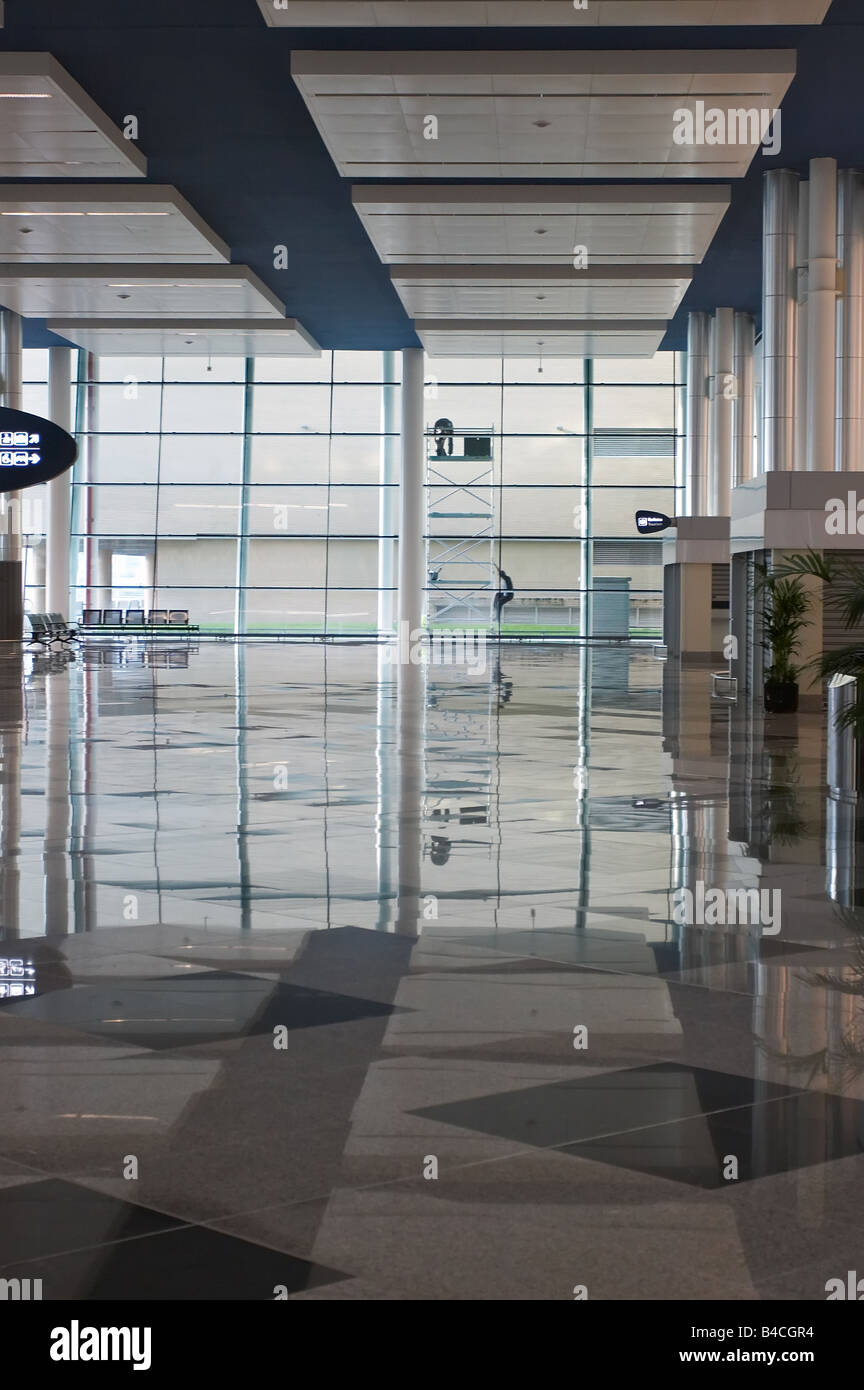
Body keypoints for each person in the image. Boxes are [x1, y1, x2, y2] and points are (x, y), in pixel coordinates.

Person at [493, 563, 515, 631]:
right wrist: (496, 566)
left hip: (509, 595)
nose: (500, 577)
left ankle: (497, 619)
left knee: (499, 603)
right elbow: (501, 573)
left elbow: (501, 573)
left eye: (500, 575)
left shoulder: (507, 578)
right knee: (497, 594)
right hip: (504, 594)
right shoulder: (504, 579)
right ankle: (494, 607)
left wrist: (497, 567)